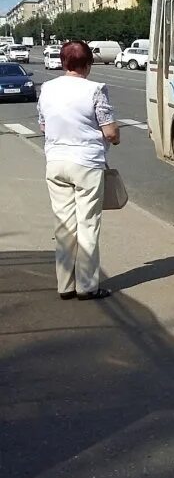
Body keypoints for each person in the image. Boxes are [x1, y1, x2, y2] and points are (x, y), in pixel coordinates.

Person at [37, 40, 120, 300]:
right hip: (86, 164)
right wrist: (114, 138)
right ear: (87, 64)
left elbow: (43, 126)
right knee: (87, 225)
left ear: (63, 63)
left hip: (55, 163)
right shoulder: (95, 89)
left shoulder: (47, 88)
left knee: (64, 226)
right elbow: (110, 131)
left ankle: (65, 285)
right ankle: (87, 286)